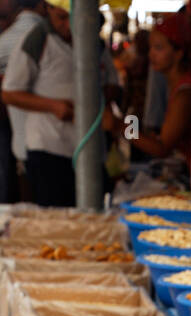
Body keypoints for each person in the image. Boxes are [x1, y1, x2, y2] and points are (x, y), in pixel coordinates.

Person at [2, 0, 116, 206]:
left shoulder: (95, 43)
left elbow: (115, 87)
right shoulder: (38, 39)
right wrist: (53, 106)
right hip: (48, 148)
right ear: (48, 9)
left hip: (91, 148)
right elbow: (9, 93)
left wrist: (98, 102)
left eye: (73, 18)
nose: (68, 25)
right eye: (62, 18)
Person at [122, 12, 191, 166]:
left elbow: (162, 148)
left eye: (158, 48)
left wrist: (121, 127)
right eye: (151, 48)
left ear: (178, 53)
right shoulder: (180, 84)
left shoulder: (185, 94)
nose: (151, 54)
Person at [0, 0, 44, 200]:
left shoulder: (5, 40)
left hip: (21, 144)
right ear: (44, 6)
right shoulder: (45, 38)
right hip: (46, 146)